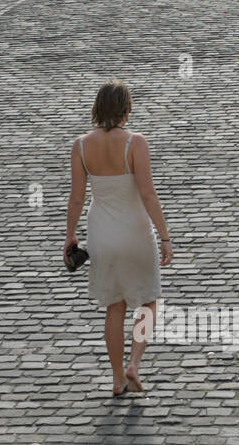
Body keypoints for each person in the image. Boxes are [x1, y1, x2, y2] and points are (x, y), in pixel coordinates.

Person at [66, 81, 174, 396]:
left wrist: (70, 235)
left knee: (115, 306)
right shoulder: (136, 143)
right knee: (149, 300)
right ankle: (134, 365)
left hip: (102, 233)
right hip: (136, 232)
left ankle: (116, 379)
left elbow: (76, 198)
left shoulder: (81, 146)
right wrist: (165, 236)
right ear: (125, 109)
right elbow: (148, 194)